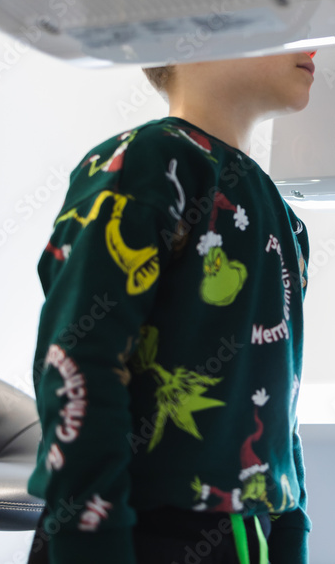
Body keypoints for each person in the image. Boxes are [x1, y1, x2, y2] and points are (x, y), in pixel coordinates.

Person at [26, 50, 318, 564]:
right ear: (194, 30)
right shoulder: (149, 161)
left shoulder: (287, 222)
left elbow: (275, 398)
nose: (315, 45)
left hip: (247, 535)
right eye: (287, 15)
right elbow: (78, 359)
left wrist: (290, 530)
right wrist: (89, 535)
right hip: (139, 531)